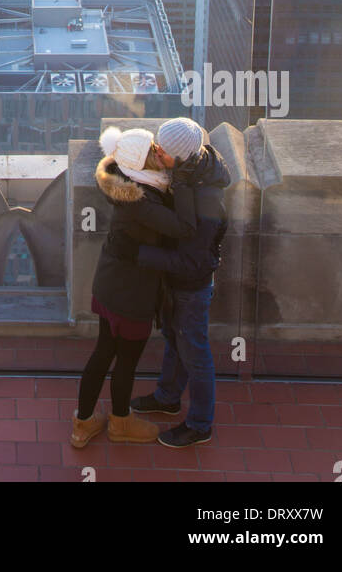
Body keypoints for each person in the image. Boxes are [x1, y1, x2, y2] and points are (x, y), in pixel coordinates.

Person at [71, 125, 197, 448]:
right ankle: (121, 422)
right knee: (125, 360)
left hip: (109, 285)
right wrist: (182, 177)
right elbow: (184, 228)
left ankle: (82, 424)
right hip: (132, 296)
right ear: (139, 166)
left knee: (102, 353)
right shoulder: (143, 202)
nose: (159, 154)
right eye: (153, 151)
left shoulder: (126, 187)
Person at [128, 117, 231, 448]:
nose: (156, 154)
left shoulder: (206, 198)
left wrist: (142, 256)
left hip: (191, 286)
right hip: (178, 283)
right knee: (176, 340)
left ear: (182, 157)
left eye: (162, 151)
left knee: (195, 353)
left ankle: (201, 425)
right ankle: (168, 397)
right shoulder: (188, 176)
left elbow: (194, 260)